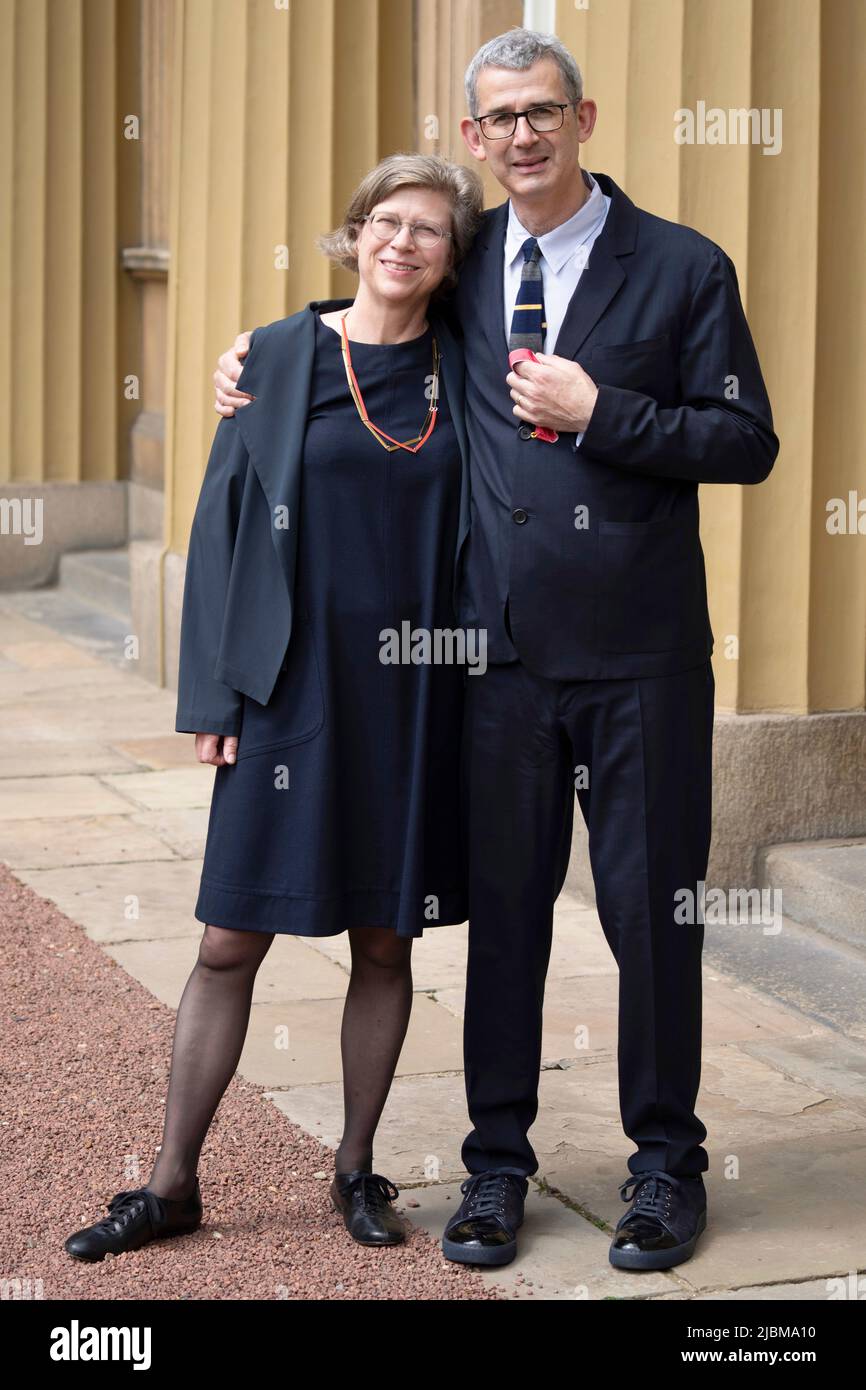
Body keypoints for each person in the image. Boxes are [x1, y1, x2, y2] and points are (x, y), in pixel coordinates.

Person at [215, 29, 779, 1272]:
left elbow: (746, 440)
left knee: (650, 918)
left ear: (584, 117)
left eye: (541, 111)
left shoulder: (682, 268)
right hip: (492, 663)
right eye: (497, 119)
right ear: (473, 138)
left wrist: (605, 414)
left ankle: (663, 1169)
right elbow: (376, 306)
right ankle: (495, 1168)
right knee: (506, 922)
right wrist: (265, 349)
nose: (520, 134)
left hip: (639, 660)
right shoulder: (465, 271)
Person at [63, 153, 483, 1264]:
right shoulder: (280, 354)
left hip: (417, 693)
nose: (402, 242)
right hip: (293, 691)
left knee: (385, 945)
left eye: (428, 231)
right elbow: (224, 529)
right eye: (385, 222)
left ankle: (354, 1169)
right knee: (226, 940)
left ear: (452, 260)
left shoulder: (467, 367)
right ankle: (170, 1182)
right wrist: (213, 691)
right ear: (353, 235)